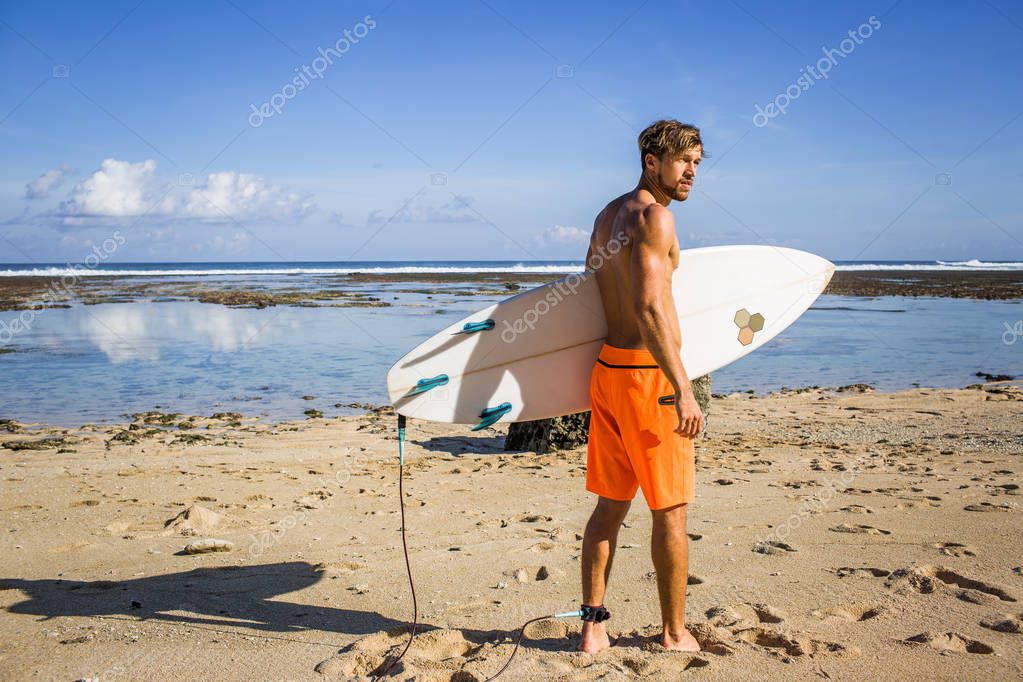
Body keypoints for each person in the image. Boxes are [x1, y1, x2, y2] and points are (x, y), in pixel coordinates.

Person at [578, 119, 705, 654]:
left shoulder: (608, 216)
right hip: (649, 380)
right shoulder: (657, 219)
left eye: (698, 163)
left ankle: (593, 628)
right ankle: (675, 634)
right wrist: (684, 387)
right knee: (670, 510)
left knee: (610, 506)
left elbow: (589, 283)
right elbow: (651, 306)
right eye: (683, 162)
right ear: (651, 162)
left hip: (607, 373)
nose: (692, 173)